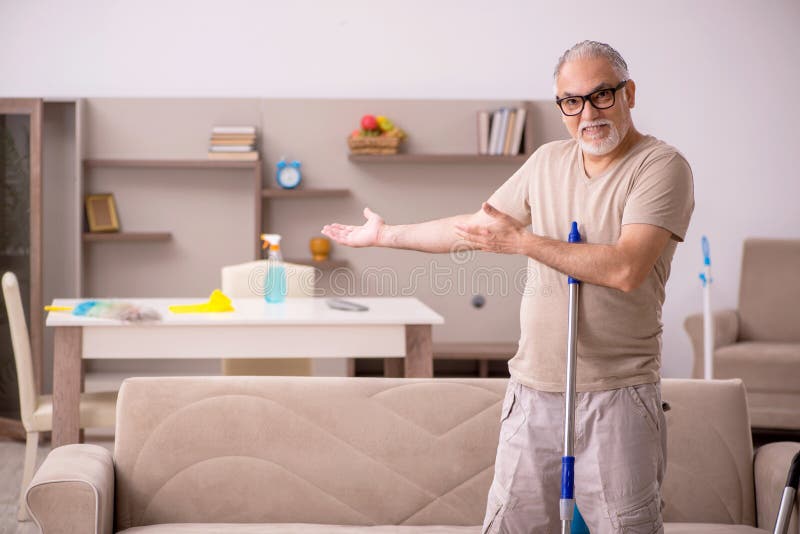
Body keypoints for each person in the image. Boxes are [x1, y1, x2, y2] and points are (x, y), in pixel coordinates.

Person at [322, 40, 694, 534]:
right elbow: (475, 229)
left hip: (617, 395)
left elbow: (626, 268)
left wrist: (523, 242)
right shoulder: (546, 162)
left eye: (601, 95)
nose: (588, 114)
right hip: (533, 390)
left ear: (628, 93)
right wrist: (386, 235)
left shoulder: (660, 167)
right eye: (572, 101)